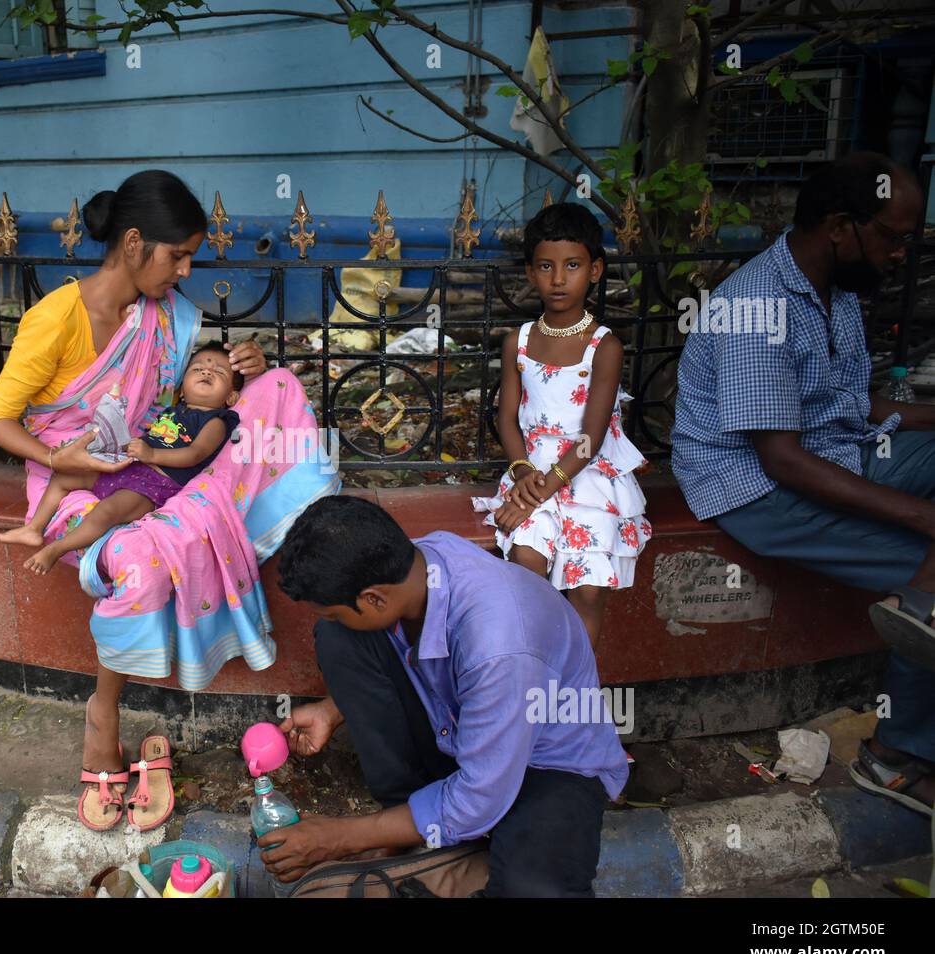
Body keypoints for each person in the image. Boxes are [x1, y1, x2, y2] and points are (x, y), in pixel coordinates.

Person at [0, 170, 339, 831]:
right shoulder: (54, 319)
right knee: (138, 560)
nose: (186, 269)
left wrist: (240, 372)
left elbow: (183, 405)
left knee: (281, 388)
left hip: (155, 462)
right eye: (178, 256)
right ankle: (103, 715)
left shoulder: (166, 318)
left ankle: (204, 512)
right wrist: (60, 458)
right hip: (77, 480)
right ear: (137, 243)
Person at [671, 152, 934, 816]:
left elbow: (850, 405)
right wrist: (917, 515)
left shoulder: (833, 290)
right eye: (893, 236)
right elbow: (782, 459)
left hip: (833, 453)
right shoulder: (759, 307)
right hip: (757, 489)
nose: (900, 252)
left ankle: (921, 597)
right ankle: (897, 756)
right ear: (841, 226)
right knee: (928, 559)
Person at [267, 496, 628, 896]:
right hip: (464, 729)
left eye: (334, 610)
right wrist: (336, 709)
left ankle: (429, 832)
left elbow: (478, 796)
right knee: (342, 638)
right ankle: (410, 825)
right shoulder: (417, 562)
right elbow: (427, 665)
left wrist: (340, 837)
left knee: (532, 889)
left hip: (545, 764)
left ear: (373, 598)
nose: (332, 619)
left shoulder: (500, 646)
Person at [474, 203, 651, 647]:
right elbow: (508, 418)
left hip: (587, 476)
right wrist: (520, 473)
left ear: (594, 271)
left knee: (587, 588)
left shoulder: (604, 346)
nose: (558, 279)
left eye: (572, 266)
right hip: (531, 469)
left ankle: (574, 689)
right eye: (545, 267)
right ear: (531, 273)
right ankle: (528, 673)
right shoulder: (519, 341)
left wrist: (542, 488)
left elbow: (591, 438)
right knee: (525, 561)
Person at [0, 342, 241, 574]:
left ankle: (56, 549)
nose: (206, 372)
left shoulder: (215, 421)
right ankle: (34, 528)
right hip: (130, 468)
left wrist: (152, 454)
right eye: (198, 368)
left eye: (218, 372)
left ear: (231, 397)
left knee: (106, 511)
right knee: (64, 477)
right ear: (183, 389)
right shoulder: (173, 411)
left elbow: (195, 454)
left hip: (155, 485)